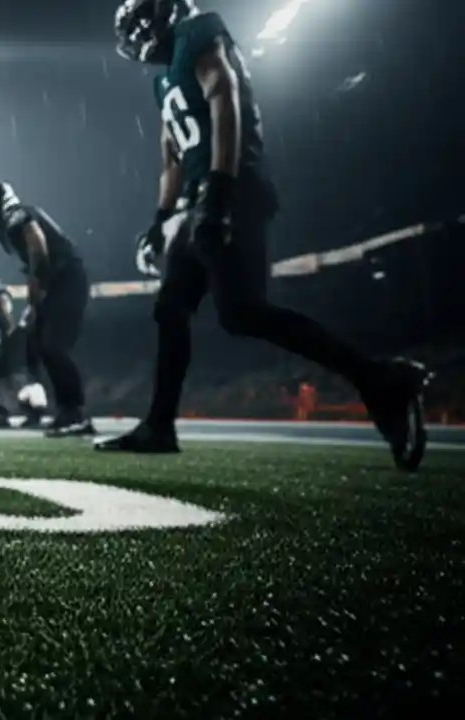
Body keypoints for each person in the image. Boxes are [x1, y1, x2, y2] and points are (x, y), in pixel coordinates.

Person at [99, 0, 432, 471]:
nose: (136, 38)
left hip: (232, 187)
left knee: (243, 312)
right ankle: (159, 424)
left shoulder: (199, 32)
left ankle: (381, 380)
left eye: (139, 24)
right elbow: (171, 157)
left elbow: (224, 97)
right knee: (171, 308)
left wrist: (219, 190)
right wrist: (159, 219)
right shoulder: (163, 80)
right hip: (197, 201)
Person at [0, 182, 95, 437]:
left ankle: (74, 412)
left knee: (53, 346)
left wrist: (36, 294)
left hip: (65, 280)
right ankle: (67, 410)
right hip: (61, 280)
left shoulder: (18, 217)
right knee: (44, 346)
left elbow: (38, 252)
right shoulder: (18, 218)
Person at [0, 271, 48, 428]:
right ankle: (33, 409)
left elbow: (6, 325)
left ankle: (1, 413)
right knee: (17, 378)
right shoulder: (2, 296)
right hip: (21, 340)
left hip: (12, 342)